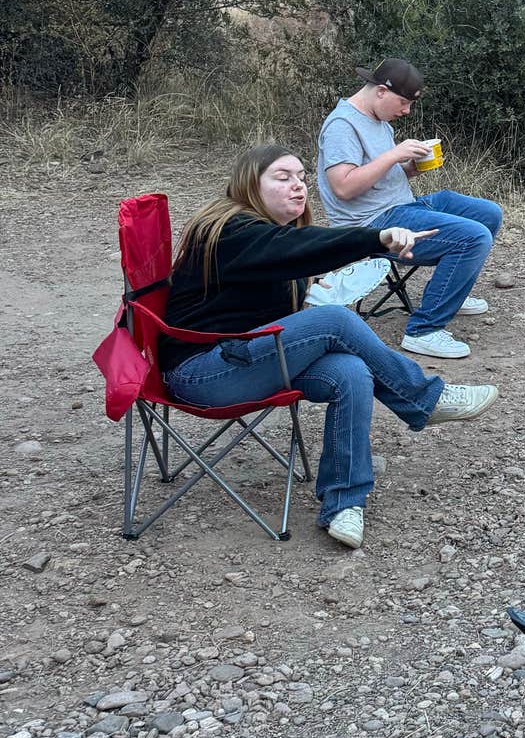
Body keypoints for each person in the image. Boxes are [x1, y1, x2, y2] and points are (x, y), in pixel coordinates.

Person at [162, 144, 499, 550]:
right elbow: (303, 248)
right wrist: (377, 238)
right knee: (335, 320)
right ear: (250, 184)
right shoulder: (231, 229)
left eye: (301, 178)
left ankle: (344, 502)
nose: (298, 186)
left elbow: (286, 261)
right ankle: (423, 398)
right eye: (283, 177)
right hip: (202, 374)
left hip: (246, 358)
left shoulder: (269, 237)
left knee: (349, 371)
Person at [316, 57, 504, 361]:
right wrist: (394, 155)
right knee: (474, 237)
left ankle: (449, 293)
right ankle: (423, 331)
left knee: (488, 213)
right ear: (381, 91)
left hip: (403, 205)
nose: (406, 111)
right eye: (403, 102)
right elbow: (344, 187)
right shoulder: (342, 126)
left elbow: (377, 175)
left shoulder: (378, 119)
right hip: (373, 223)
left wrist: (409, 169)